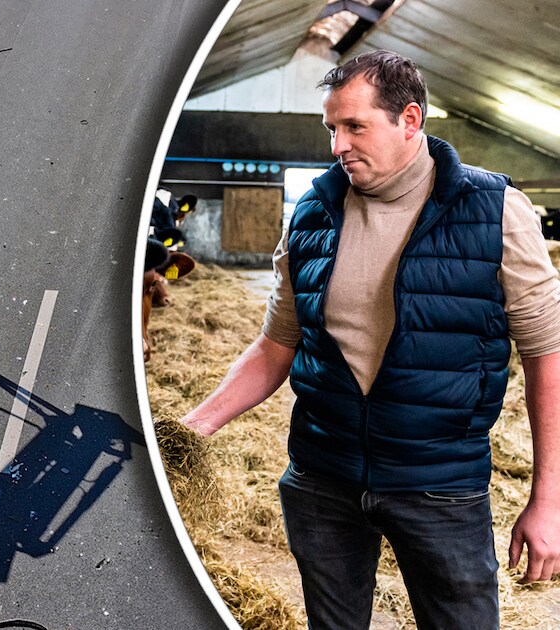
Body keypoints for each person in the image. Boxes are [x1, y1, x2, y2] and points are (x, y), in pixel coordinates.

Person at [179, 49, 560, 628]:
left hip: (439, 486)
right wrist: (188, 431)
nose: (337, 146)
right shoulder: (313, 213)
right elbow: (275, 346)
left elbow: (546, 359)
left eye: (355, 126)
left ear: (410, 121)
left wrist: (549, 501)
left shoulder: (495, 212)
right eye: (332, 128)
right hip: (321, 480)